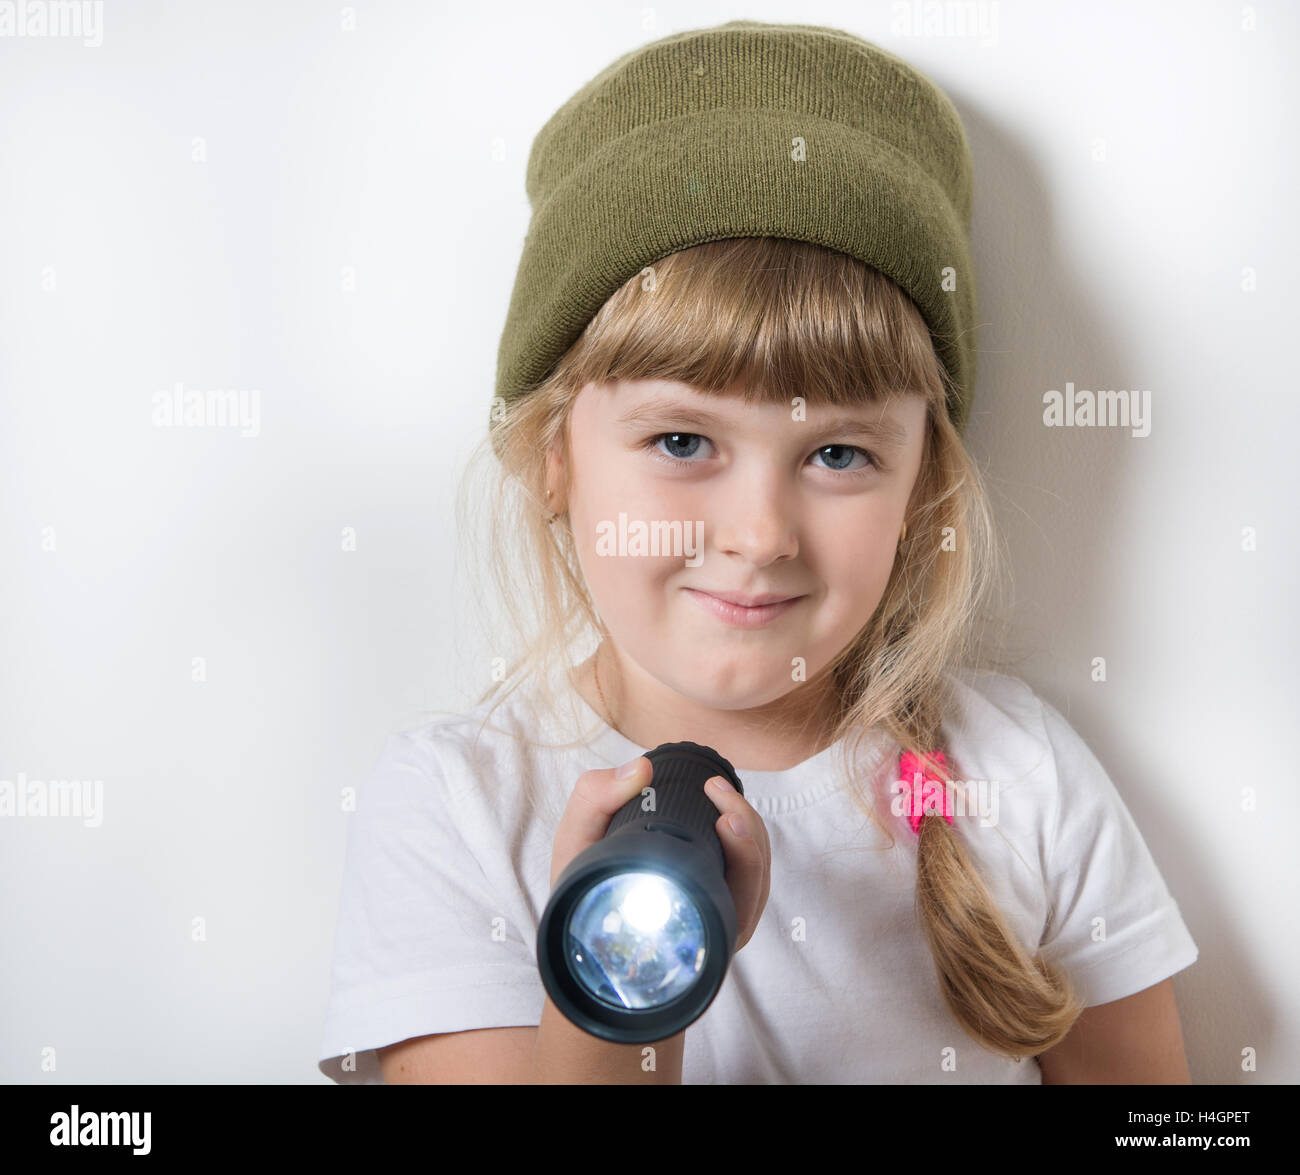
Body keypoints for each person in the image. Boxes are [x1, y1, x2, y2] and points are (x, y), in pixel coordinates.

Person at [317, 19, 1197, 1084]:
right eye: (681, 440)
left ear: (920, 489)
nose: (759, 534)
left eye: (837, 452)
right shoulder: (457, 803)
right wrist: (618, 986)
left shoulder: (1016, 776)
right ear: (557, 458)